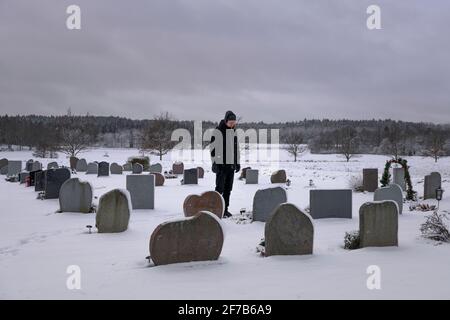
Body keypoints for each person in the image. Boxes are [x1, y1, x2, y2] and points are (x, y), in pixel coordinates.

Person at [211, 111, 240, 218]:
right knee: (219, 189)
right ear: (226, 121)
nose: (232, 124)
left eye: (234, 122)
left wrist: (237, 163)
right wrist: (217, 163)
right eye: (231, 122)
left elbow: (236, 149)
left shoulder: (233, 132)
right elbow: (213, 150)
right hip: (221, 166)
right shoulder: (218, 131)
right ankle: (215, 210)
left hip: (231, 166)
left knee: (228, 189)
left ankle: (225, 210)